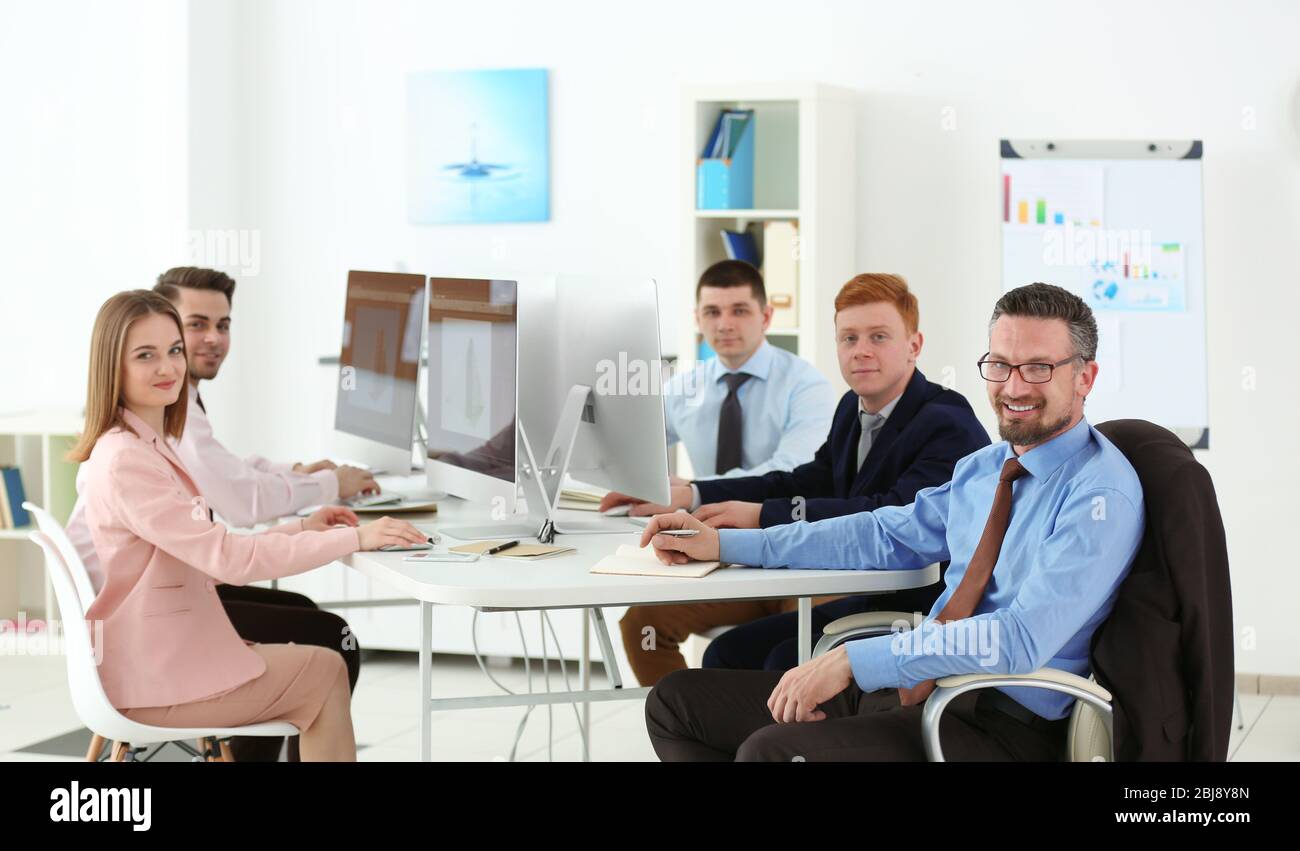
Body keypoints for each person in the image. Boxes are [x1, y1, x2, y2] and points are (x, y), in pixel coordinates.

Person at [641, 283, 1145, 761]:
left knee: (772, 751)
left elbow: (1016, 638)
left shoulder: (1099, 494)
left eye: (1038, 368)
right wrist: (726, 544)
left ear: (1085, 377)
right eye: (1000, 365)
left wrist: (853, 661)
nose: (1013, 386)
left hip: (998, 724)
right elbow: (881, 533)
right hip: (918, 690)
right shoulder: (987, 468)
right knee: (676, 703)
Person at [68, 290, 429, 761]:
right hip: (153, 676)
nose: (168, 368)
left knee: (321, 663)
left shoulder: (140, 444)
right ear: (111, 367)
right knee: (324, 670)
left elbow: (209, 557)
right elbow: (230, 561)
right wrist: (354, 538)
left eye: (173, 351)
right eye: (145, 356)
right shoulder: (128, 461)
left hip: (155, 656)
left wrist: (302, 531)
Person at [612, 275, 989, 685]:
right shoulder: (852, 407)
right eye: (848, 338)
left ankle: (773, 747)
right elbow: (807, 481)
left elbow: (887, 516)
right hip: (828, 571)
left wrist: (761, 516)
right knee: (724, 652)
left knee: (777, 658)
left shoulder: (945, 422)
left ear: (914, 346)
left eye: (878, 337)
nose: (861, 351)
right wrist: (696, 492)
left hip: (906, 600)